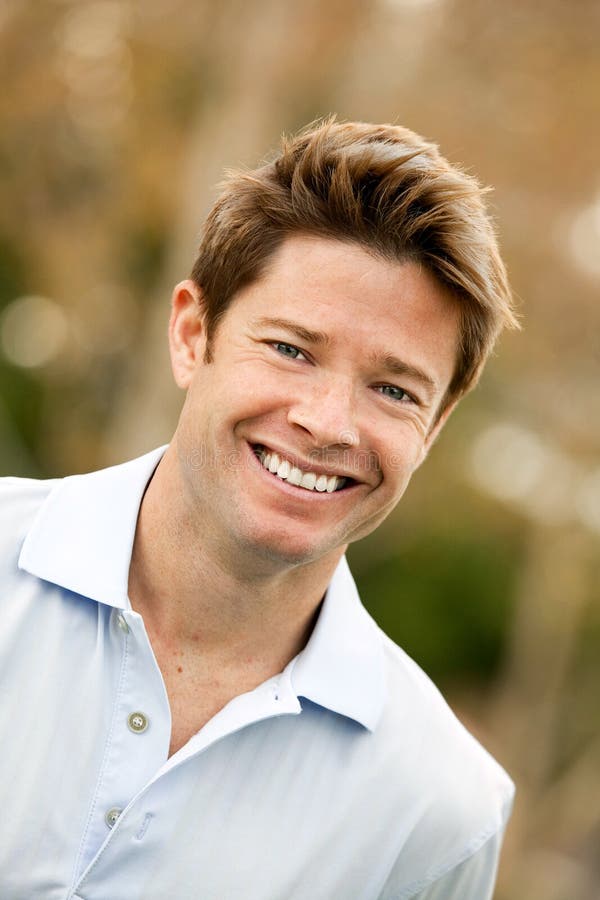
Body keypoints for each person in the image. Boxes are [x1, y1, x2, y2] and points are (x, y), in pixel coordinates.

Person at [0, 119, 518, 899]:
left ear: (434, 427)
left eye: (393, 391)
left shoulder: (442, 811)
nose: (328, 423)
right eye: (291, 349)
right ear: (190, 333)